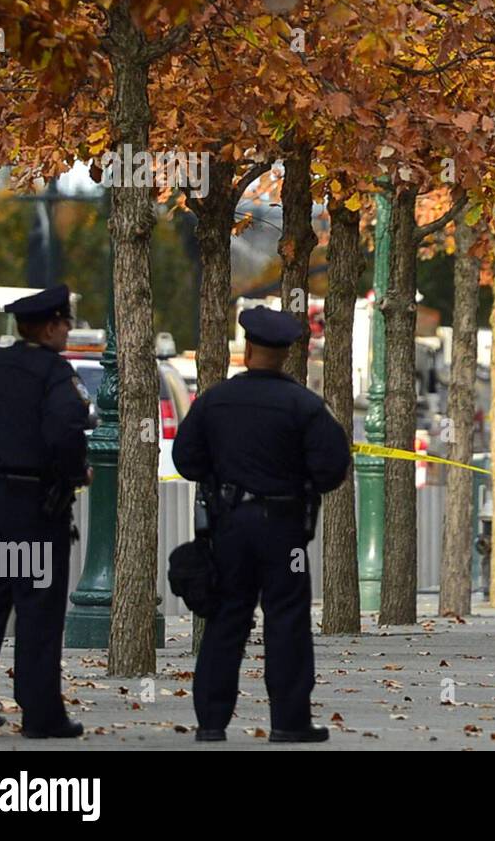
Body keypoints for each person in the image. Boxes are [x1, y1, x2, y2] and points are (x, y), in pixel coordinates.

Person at [173, 306, 350, 743]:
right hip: (284, 530)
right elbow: (332, 469)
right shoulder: (305, 405)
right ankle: (289, 722)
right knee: (287, 619)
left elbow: (185, 460)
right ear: (287, 354)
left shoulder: (214, 400)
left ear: (247, 348)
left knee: (226, 617)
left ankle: (211, 721)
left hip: (229, 527)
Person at [0, 284, 91, 738]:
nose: (68, 329)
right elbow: (66, 429)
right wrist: (74, 474)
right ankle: (40, 713)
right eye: (66, 322)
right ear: (50, 326)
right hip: (37, 511)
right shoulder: (53, 374)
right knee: (38, 612)